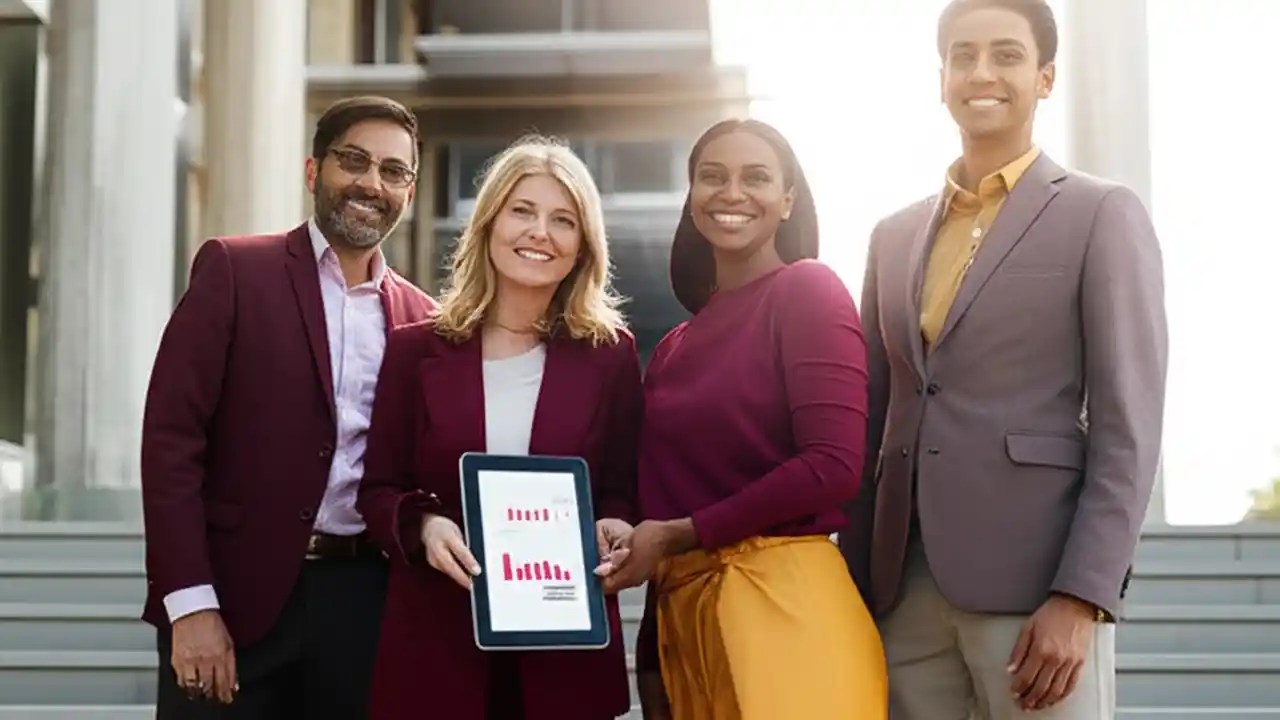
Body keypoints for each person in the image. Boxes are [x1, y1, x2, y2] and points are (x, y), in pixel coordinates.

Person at [838, 1, 1169, 718]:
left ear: (1045, 78)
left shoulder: (1100, 213)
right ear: (942, 79)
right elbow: (874, 418)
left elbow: (1129, 425)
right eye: (963, 56)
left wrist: (1082, 595)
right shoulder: (892, 236)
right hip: (902, 590)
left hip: (1037, 592)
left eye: (1007, 55)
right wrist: (855, 579)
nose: (981, 72)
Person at [140, 95, 436, 718]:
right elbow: (171, 442)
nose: (371, 183)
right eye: (353, 161)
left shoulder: (424, 319)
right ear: (313, 171)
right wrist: (189, 604)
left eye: (393, 171)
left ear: (409, 192)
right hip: (231, 602)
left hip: (362, 607)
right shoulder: (235, 270)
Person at [598, 118, 887, 719]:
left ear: (788, 200)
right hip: (684, 621)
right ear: (691, 197)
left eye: (756, 177)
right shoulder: (672, 348)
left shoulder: (807, 290)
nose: (732, 192)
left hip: (786, 612)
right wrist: (652, 653)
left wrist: (679, 534)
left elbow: (833, 466)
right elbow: (664, 505)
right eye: (713, 176)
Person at [355, 135, 641, 720]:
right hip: (440, 649)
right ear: (488, 224)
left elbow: (621, 486)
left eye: (563, 220)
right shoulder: (415, 351)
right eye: (522, 211)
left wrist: (614, 523)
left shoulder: (609, 355)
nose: (540, 232)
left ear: (583, 246)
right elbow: (378, 489)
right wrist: (425, 525)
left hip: (563, 656)